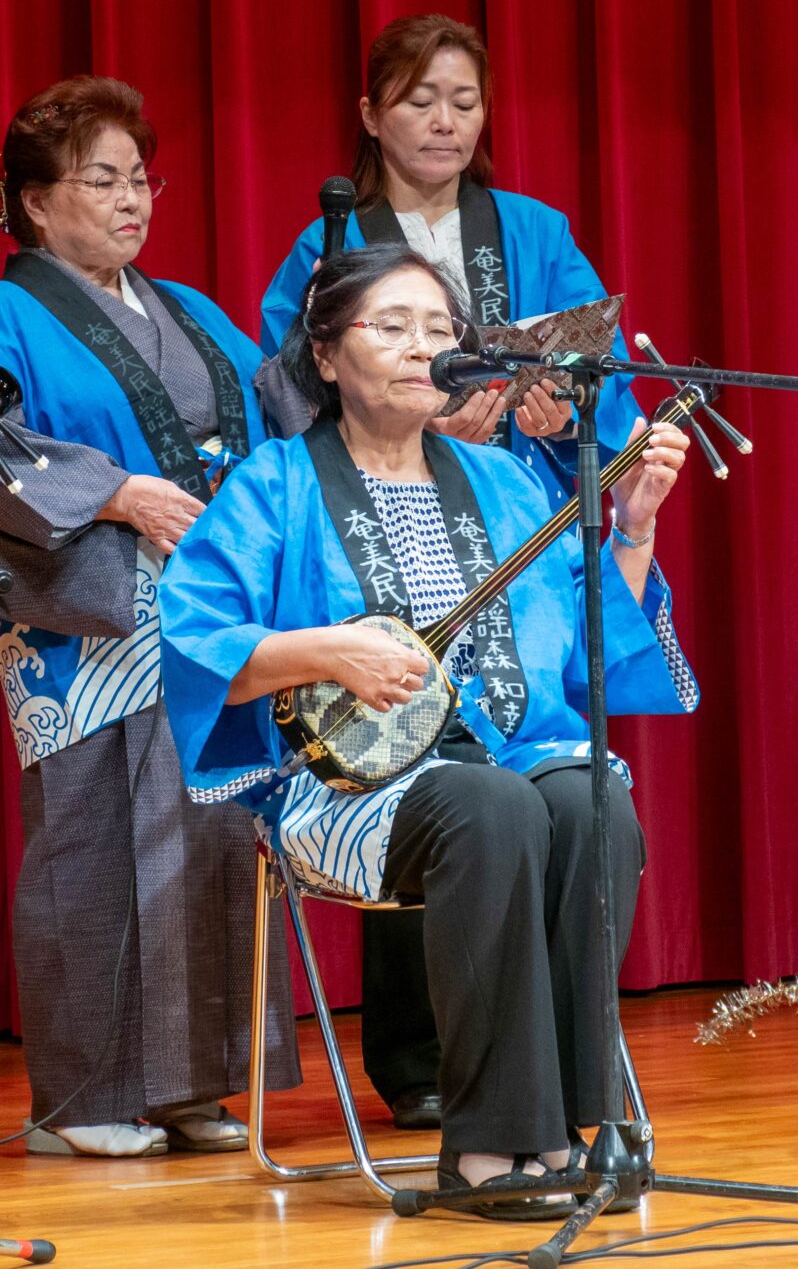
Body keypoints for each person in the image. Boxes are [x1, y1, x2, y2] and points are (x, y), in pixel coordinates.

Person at [161, 242, 695, 1218]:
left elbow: (588, 649)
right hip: (348, 788)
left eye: (440, 329)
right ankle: (488, 1144)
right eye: (392, 326)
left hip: (510, 758)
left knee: (592, 802)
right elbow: (196, 642)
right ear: (327, 356)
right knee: (492, 806)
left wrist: (635, 527)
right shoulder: (275, 483)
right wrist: (327, 652)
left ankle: (574, 1120)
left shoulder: (504, 483)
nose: (422, 347)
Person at [256, 12, 645, 1125]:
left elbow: (600, 376)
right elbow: (287, 388)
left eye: (464, 101)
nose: (443, 121)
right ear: (371, 114)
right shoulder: (329, 243)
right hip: (372, 521)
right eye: (419, 99)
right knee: (428, 766)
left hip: (499, 509)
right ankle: (425, 1061)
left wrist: (551, 408)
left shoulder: (532, 229)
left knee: (560, 783)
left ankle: (563, 1078)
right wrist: (411, 417)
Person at [0, 77, 296, 1158]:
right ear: (33, 203)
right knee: (90, 842)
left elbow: (279, 411)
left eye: (140, 179)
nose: (132, 200)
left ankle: (192, 1083)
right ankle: (80, 1100)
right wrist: (117, 492)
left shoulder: (191, 311)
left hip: (208, 612)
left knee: (212, 828)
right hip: (86, 621)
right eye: (102, 179)